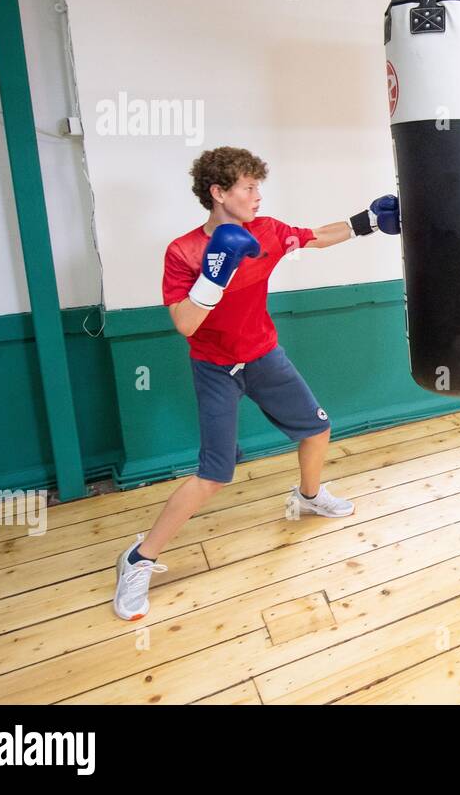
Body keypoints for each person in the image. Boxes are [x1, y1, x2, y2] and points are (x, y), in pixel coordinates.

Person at [113, 146, 400, 620]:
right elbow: (185, 323)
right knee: (214, 474)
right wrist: (213, 277)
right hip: (215, 368)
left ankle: (308, 498)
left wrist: (366, 220)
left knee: (317, 428)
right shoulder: (183, 251)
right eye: (248, 188)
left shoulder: (266, 232)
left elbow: (315, 237)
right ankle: (138, 559)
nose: (258, 196)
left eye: (258, 186)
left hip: (265, 356)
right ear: (218, 192)